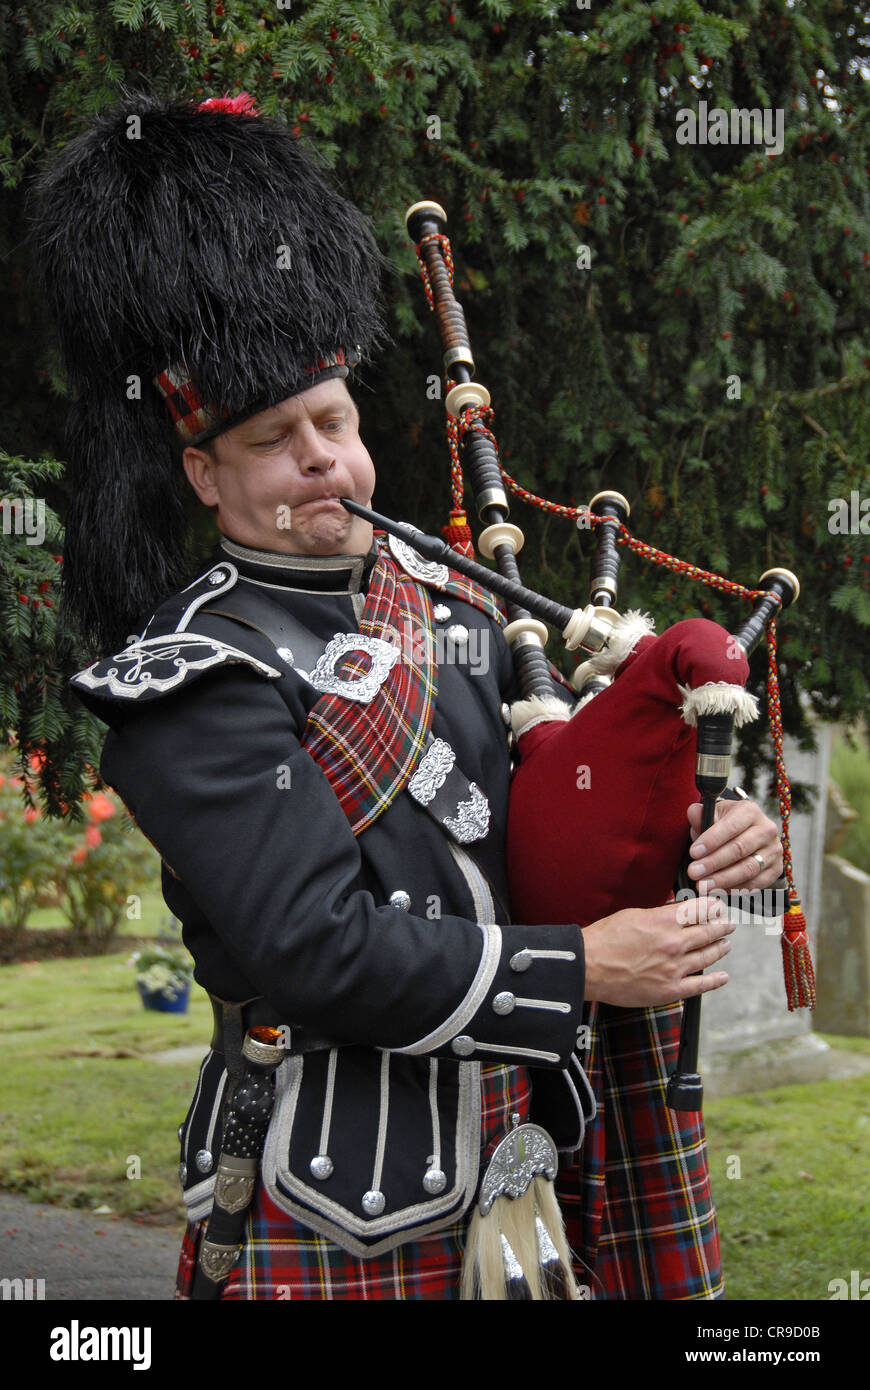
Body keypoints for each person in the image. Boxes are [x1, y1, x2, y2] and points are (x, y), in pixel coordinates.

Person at [33, 92, 783, 1300]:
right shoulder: (194, 677)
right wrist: (583, 967)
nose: (325, 456)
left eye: (333, 420)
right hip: (332, 1179)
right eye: (278, 439)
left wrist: (697, 831)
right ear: (204, 475)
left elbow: (547, 823)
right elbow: (319, 950)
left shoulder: (444, 603)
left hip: (521, 1141)